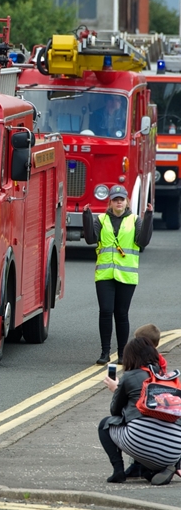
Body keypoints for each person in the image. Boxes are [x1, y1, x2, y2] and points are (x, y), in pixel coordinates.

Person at [83, 185, 153, 365]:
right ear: (111, 202)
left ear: (127, 201)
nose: (119, 202)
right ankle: (105, 352)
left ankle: (123, 354)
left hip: (126, 275)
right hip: (105, 274)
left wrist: (149, 217)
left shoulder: (135, 220)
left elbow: (143, 241)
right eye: (115, 199)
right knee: (106, 311)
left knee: (121, 313)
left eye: (121, 199)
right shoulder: (101, 219)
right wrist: (86, 216)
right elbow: (91, 239)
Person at [98, 337, 181, 485]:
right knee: (151, 424)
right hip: (174, 448)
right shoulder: (168, 378)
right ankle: (156, 469)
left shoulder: (130, 377)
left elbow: (115, 411)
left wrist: (116, 389)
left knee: (105, 424)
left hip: (139, 440)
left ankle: (118, 471)